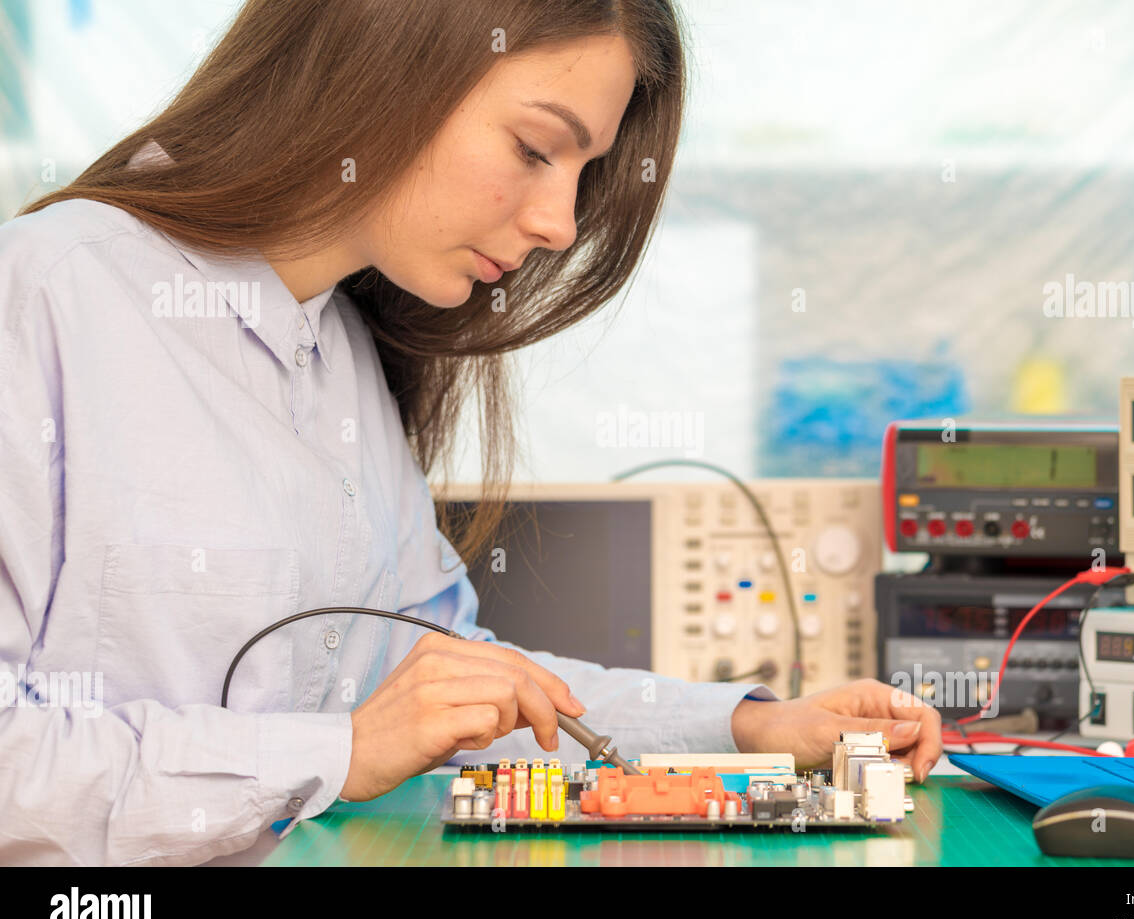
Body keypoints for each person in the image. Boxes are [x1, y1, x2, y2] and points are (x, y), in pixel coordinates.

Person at [0, 0, 941, 866]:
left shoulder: (342, 353)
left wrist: (749, 727)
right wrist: (336, 750)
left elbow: (460, 690)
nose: (560, 224)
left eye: (583, 172)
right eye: (537, 149)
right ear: (383, 61)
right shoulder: (46, 292)